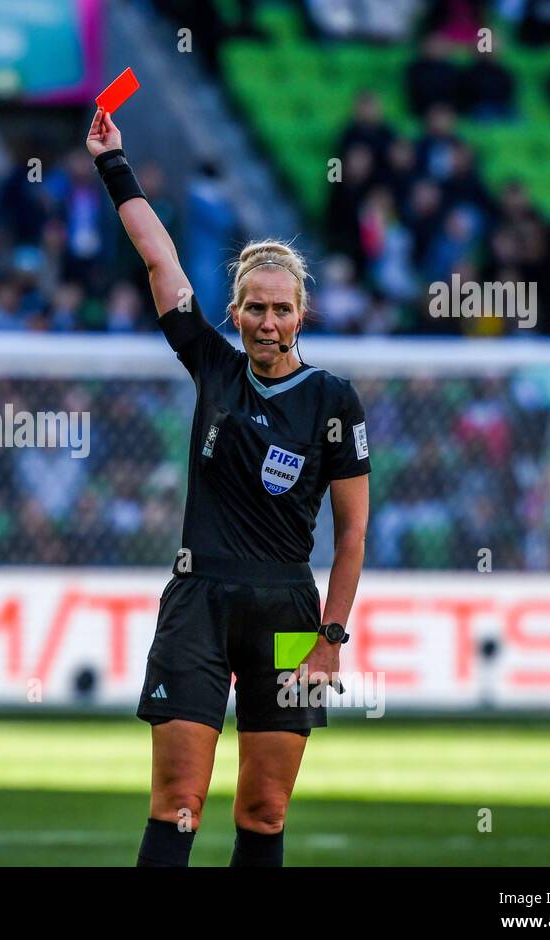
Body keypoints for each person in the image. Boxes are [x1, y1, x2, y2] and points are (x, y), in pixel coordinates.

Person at [86, 109, 371, 867]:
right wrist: (115, 164)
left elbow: (352, 536)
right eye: (254, 307)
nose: (268, 322)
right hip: (197, 602)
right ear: (235, 312)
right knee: (178, 804)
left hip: (290, 610)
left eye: (281, 309)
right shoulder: (213, 366)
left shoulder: (334, 399)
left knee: (266, 811)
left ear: (301, 314)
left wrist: (331, 641)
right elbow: (160, 261)